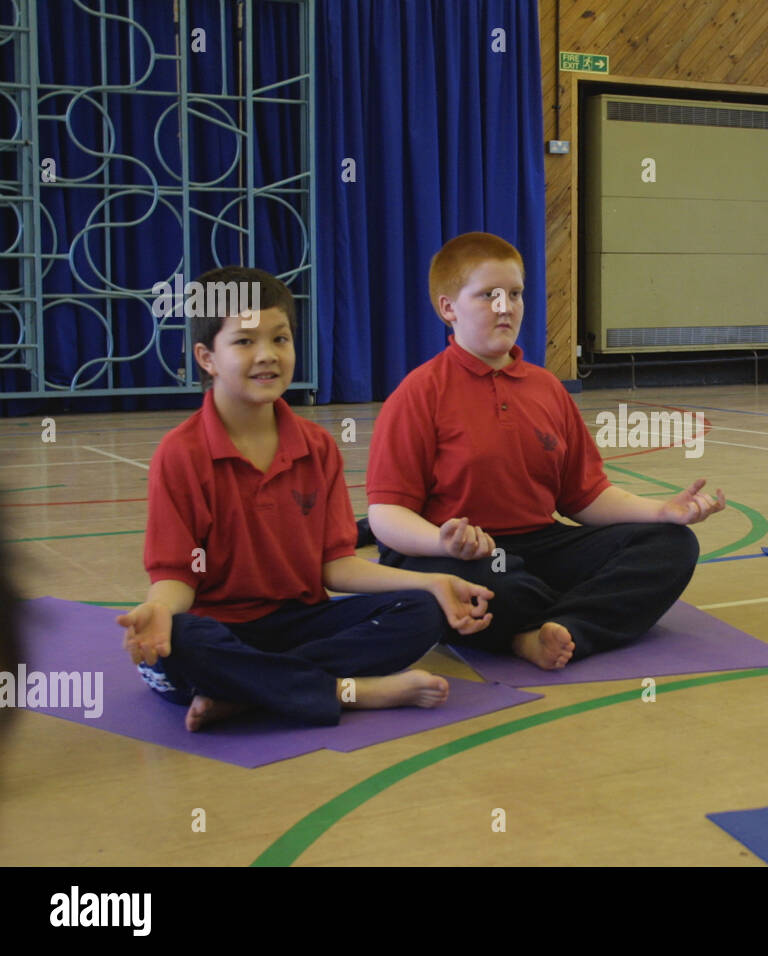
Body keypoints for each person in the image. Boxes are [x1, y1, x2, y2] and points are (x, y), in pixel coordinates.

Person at [118, 266, 494, 731]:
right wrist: (158, 611)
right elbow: (177, 576)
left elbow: (334, 566)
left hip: (297, 623)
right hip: (217, 629)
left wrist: (432, 582)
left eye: (280, 339)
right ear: (206, 358)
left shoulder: (316, 447)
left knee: (419, 611)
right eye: (244, 342)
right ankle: (346, 691)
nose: (267, 356)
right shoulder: (180, 454)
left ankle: (248, 690)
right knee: (180, 640)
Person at [366, 232, 724, 670]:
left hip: (534, 544)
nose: (506, 307)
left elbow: (584, 498)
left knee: (671, 547)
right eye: (488, 296)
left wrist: (660, 512)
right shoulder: (418, 394)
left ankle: (564, 629)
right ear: (447, 308)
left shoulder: (547, 389)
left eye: (515, 294)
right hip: (453, 554)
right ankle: (539, 625)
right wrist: (441, 541)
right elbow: (385, 517)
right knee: (498, 584)